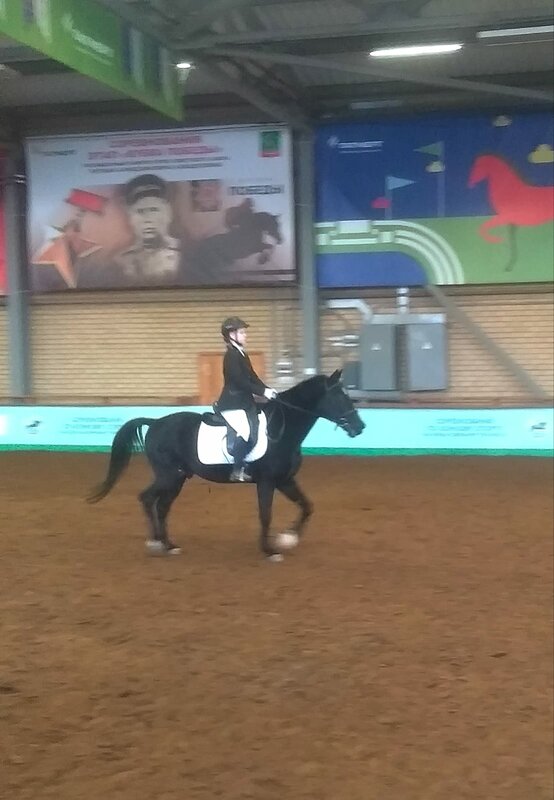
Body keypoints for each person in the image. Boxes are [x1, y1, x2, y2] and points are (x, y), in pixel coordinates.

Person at [215, 317, 278, 482]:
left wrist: (268, 390)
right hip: (232, 403)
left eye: (244, 332)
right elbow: (240, 382)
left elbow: (252, 377)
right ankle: (237, 470)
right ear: (231, 335)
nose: (245, 335)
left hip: (244, 403)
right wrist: (262, 391)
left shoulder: (241, 354)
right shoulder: (231, 356)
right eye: (242, 332)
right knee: (245, 431)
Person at [115, 174, 180, 285]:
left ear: (168, 213)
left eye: (153, 210)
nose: (147, 219)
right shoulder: (120, 261)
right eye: (140, 211)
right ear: (129, 217)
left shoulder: (187, 255)